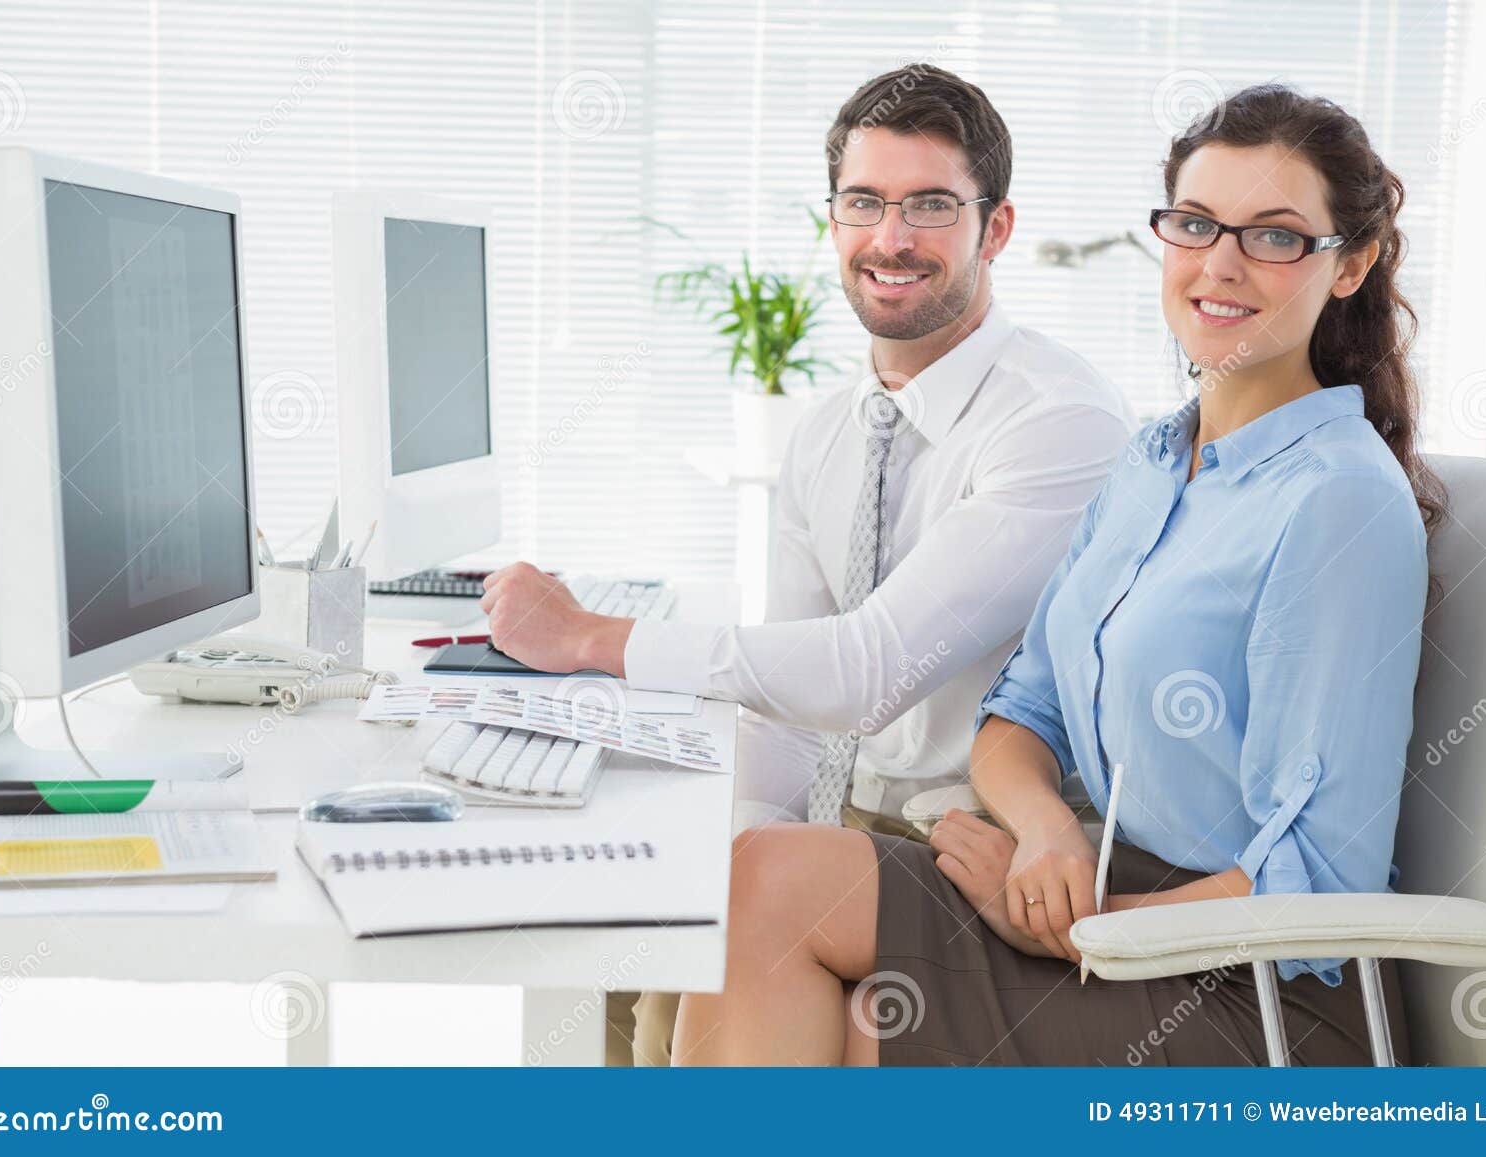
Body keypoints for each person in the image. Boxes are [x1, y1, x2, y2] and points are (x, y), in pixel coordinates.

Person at [672, 83, 1443, 1067]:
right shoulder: (1153, 459)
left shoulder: (1337, 499)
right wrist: (1044, 835)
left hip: (1252, 987)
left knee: (860, 1021)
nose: (1220, 263)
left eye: (1275, 236)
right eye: (1196, 223)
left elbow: (1319, 883)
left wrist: (1085, 927)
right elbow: (1020, 710)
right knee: (758, 875)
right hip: (1097, 895)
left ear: (1351, 264)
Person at [480, 65, 1133, 1065]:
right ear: (833, 219)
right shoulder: (829, 432)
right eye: (863, 202)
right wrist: (736, 852)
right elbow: (787, 713)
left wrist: (590, 638)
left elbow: (868, 669)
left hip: (983, 849)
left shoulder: (1057, 421)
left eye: (930, 206)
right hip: (852, 830)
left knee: (672, 995)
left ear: (994, 229)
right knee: (612, 948)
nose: (891, 238)